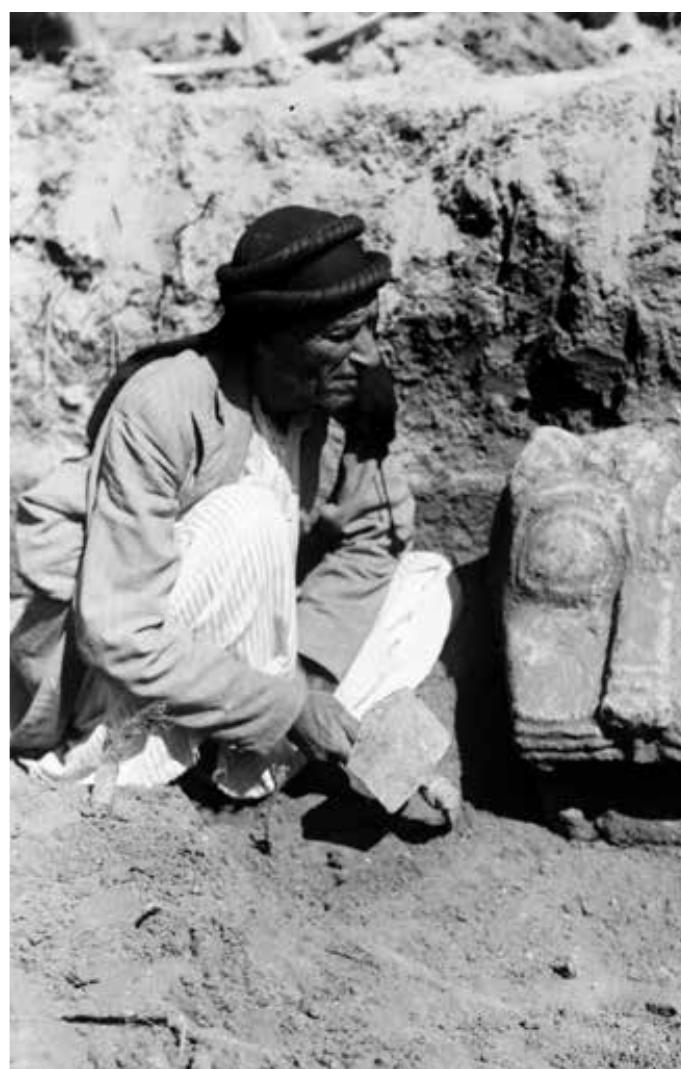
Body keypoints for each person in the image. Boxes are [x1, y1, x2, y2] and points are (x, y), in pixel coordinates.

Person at [11, 205, 460, 824]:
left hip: (234, 659)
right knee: (248, 518)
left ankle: (295, 745)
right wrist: (286, 708)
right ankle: (143, 768)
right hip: (110, 683)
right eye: (338, 336)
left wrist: (310, 683)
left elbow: (373, 540)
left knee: (428, 580)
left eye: (370, 327)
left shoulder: (336, 394)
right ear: (264, 337)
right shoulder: (166, 403)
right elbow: (117, 631)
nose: (366, 354)